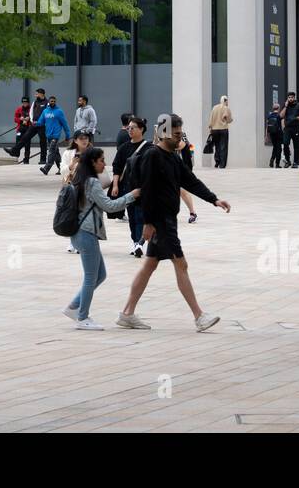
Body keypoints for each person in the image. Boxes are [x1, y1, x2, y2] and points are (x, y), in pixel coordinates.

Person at [116, 115, 230, 332]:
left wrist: (214, 199)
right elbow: (147, 190)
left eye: (180, 133)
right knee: (181, 264)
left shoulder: (172, 157)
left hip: (167, 220)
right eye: (176, 134)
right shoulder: (153, 156)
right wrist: (148, 223)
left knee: (149, 266)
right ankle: (199, 316)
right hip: (161, 221)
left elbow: (191, 181)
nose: (180, 137)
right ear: (164, 133)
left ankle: (127, 313)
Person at [61, 147, 138, 331]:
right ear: (92, 162)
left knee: (100, 275)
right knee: (90, 277)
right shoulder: (92, 183)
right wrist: (131, 196)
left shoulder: (81, 179)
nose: (105, 163)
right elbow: (109, 206)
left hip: (80, 233)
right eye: (101, 160)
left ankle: (73, 307)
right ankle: (82, 317)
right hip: (86, 233)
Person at [111, 116, 147, 254]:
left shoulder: (148, 148)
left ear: (141, 129)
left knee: (140, 216)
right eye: (128, 128)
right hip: (127, 188)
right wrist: (115, 185)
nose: (130, 130)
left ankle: (140, 243)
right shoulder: (124, 148)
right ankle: (136, 243)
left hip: (143, 188)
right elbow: (117, 167)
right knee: (132, 217)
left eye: (133, 128)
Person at [61, 129, 95, 253]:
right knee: (73, 215)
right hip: (73, 188)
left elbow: (100, 168)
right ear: (75, 140)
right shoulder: (68, 153)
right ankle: (72, 242)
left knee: (85, 216)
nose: (84, 140)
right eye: (81, 138)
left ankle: (83, 242)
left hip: (89, 188)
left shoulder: (92, 152)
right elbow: (63, 170)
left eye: (86, 138)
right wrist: (72, 164)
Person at [8, 89, 48, 164]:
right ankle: (14, 151)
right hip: (34, 124)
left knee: (43, 142)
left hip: (42, 125)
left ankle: (43, 159)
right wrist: (32, 121)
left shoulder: (47, 103)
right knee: (25, 137)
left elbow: (47, 114)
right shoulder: (35, 102)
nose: (35, 95)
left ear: (41, 94)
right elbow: (31, 112)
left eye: (37, 94)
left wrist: (41, 122)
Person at [38, 96, 72, 176]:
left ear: (55, 102)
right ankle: (61, 168)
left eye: (54, 101)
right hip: (48, 135)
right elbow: (41, 122)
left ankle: (46, 168)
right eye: (51, 101)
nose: (52, 102)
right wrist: (35, 123)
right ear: (49, 102)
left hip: (56, 135)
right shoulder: (45, 111)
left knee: (51, 151)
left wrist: (67, 135)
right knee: (56, 153)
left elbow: (65, 124)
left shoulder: (59, 111)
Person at [282, 92, 299, 167]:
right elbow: (281, 116)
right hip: (287, 128)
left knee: (296, 145)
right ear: (287, 98)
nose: (290, 99)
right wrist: (285, 107)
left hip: (296, 128)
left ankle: (295, 162)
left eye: (292, 97)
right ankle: (288, 161)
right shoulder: (285, 105)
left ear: (294, 97)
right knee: (285, 143)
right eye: (289, 97)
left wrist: (296, 118)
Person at [207, 96, 232, 168]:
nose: (227, 103)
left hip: (214, 130)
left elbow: (211, 118)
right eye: (227, 101)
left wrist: (210, 127)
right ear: (225, 101)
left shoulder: (214, 108)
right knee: (223, 147)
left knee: (217, 146)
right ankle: (222, 164)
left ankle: (217, 161)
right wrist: (228, 120)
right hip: (223, 129)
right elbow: (228, 119)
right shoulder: (226, 108)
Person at [265, 103, 284, 168]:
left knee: (275, 147)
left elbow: (267, 126)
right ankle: (277, 164)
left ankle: (272, 159)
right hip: (278, 134)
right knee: (279, 149)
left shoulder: (269, 116)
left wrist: (266, 136)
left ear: (273, 108)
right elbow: (282, 125)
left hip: (272, 134)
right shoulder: (279, 116)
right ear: (278, 108)